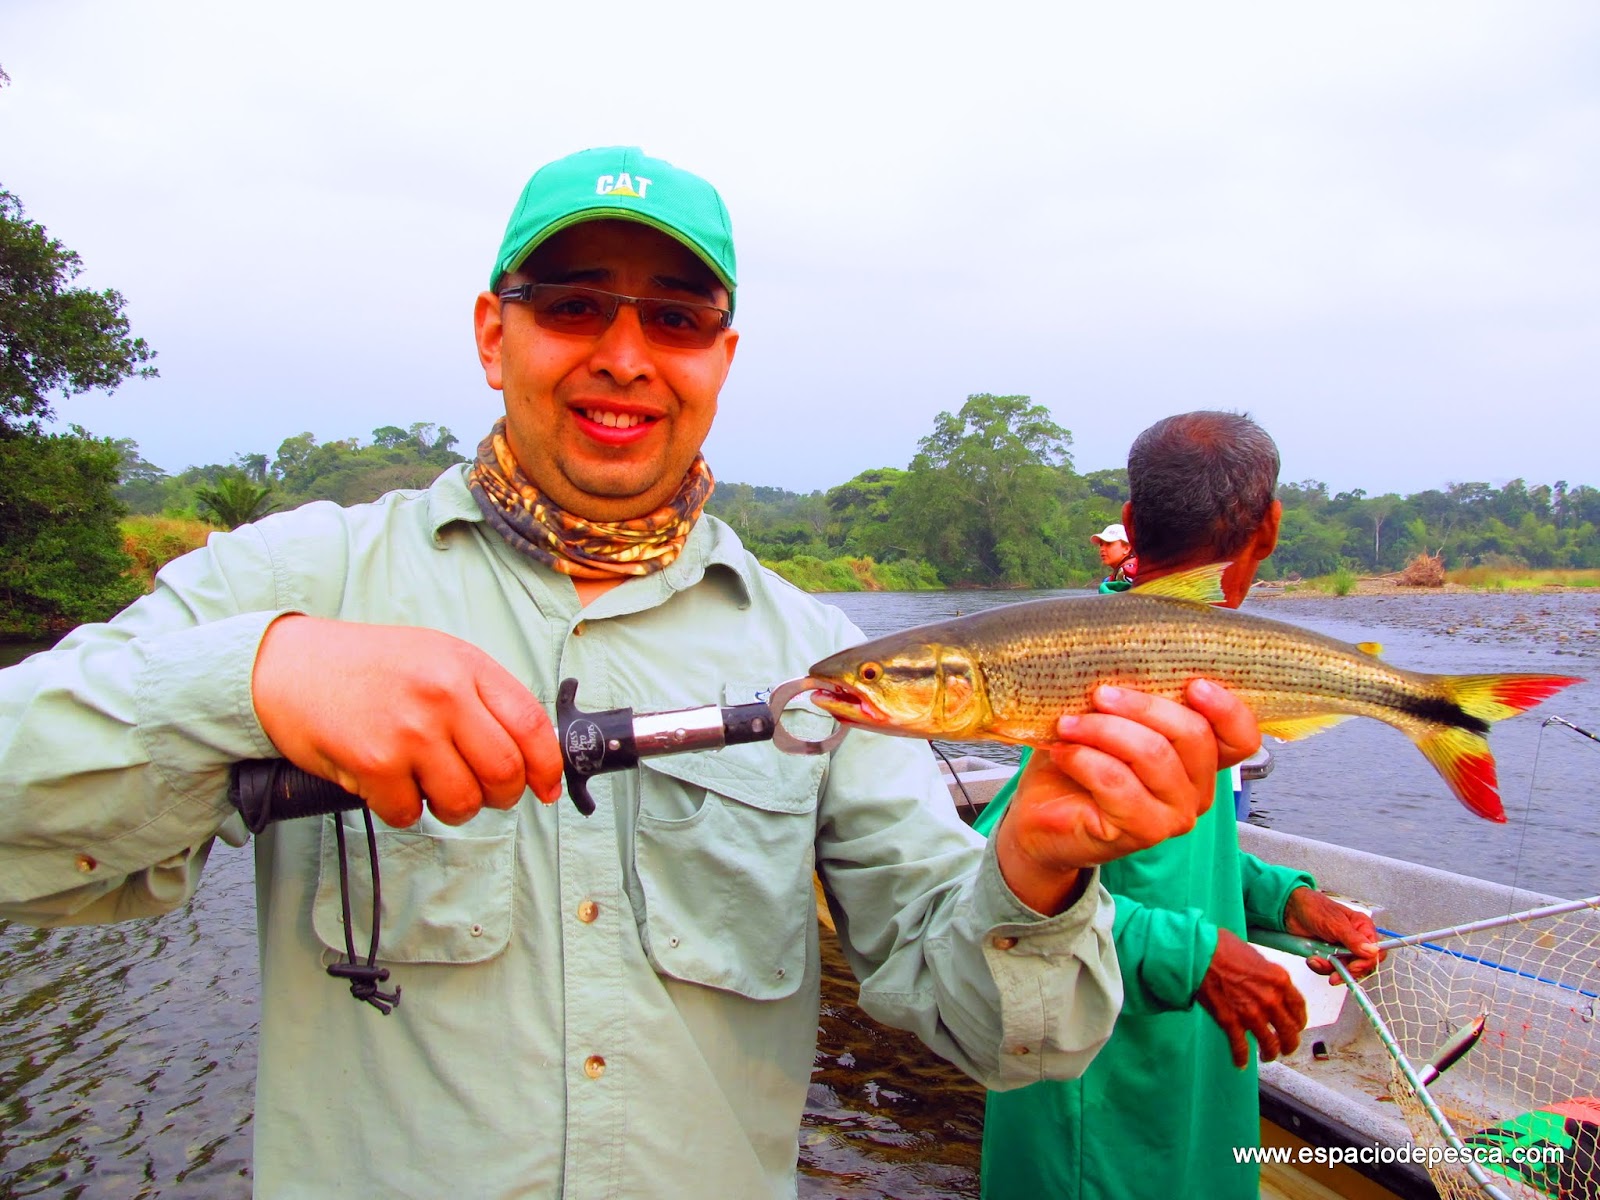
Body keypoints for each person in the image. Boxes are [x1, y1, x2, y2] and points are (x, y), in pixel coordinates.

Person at [0, 150, 1259, 1198]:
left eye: (675, 316)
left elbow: (1006, 1038)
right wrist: (258, 678)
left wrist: (1039, 868)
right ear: (495, 335)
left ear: (720, 355)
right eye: (571, 304)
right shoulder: (295, 582)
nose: (624, 352)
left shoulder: (821, 663)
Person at [976, 411, 1383, 1200]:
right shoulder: (1079, 663)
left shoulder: (1214, 664)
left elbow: (1177, 850)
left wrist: (1287, 903)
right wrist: (1193, 954)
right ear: (1270, 528)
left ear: (1130, 524)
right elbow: (989, 883)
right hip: (1098, 1095)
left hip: (1202, 1074)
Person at [1091, 521, 1137, 585]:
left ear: (1126, 549)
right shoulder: (1116, 576)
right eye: (1101, 544)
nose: (1102, 549)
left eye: (1109, 544)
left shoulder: (1129, 572)